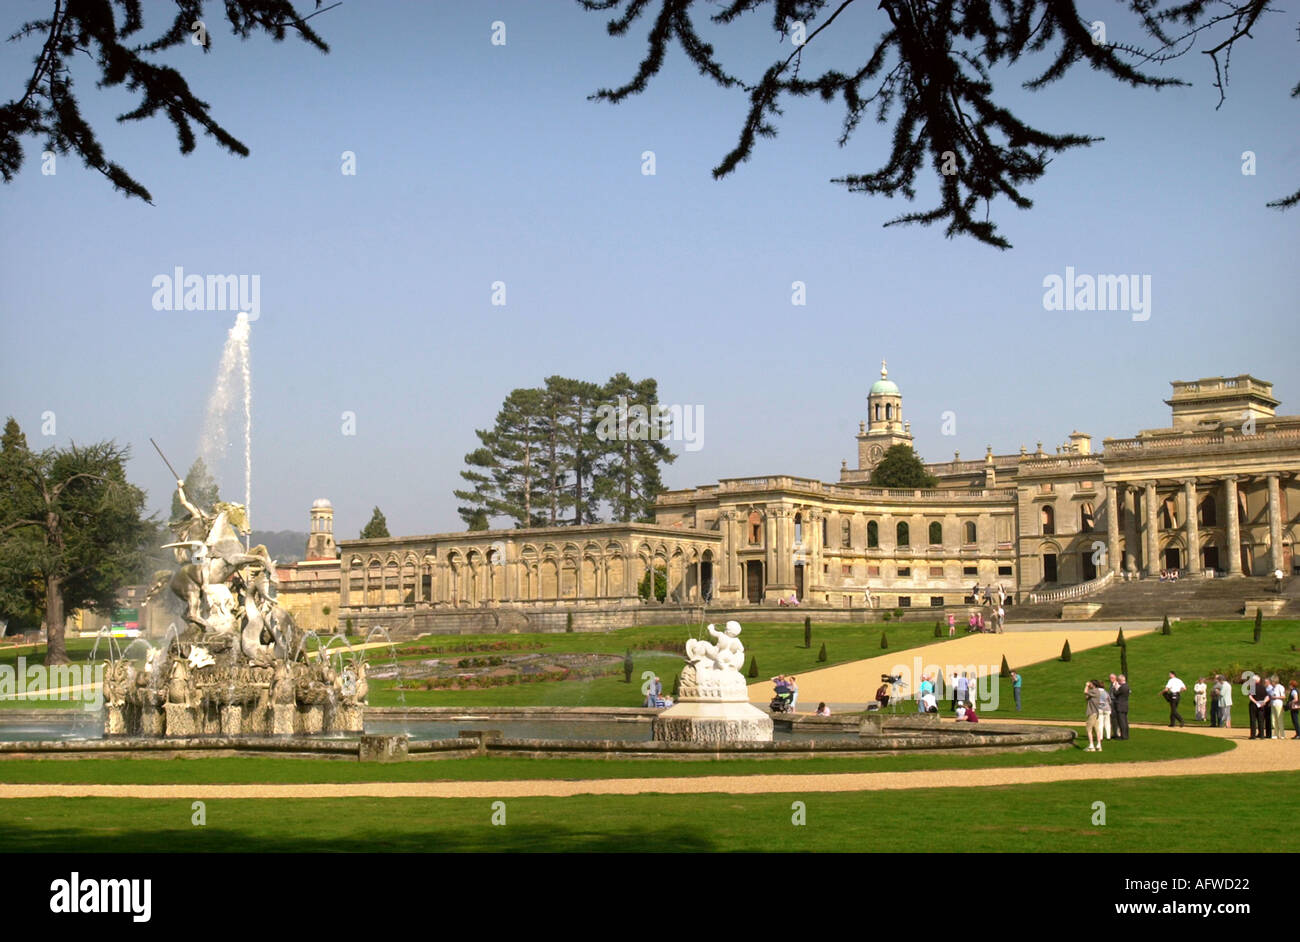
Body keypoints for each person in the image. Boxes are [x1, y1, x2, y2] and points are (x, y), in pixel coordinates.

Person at [1248, 673, 1269, 739]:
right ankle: (1262, 735)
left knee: (1253, 720)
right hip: (1261, 705)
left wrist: (1255, 702)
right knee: (1261, 720)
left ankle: (1253, 735)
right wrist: (1264, 702)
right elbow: (1267, 696)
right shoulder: (1263, 687)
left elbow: (1250, 696)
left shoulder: (1252, 687)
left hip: (1254, 705)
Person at [1084, 680, 1103, 751]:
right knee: (1096, 729)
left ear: (1094, 684)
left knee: (1089, 729)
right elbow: (1086, 697)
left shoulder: (1094, 691)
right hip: (1096, 713)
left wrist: (1086, 685)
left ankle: (1091, 745)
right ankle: (1099, 745)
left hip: (1092, 713)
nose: (1090, 684)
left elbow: (1085, 692)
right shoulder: (1096, 691)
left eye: (1091, 684)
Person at [1112, 673, 1130, 739]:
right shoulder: (1127, 686)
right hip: (1125, 706)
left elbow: (1115, 694)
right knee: (1125, 721)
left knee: (1121, 722)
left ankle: (1123, 736)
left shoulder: (1122, 687)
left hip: (1120, 706)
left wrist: (1115, 688)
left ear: (1120, 680)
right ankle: (1126, 735)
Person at [1269, 676, 1285, 740]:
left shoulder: (1280, 687)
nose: (1271, 682)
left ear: (1274, 681)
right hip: (1273, 704)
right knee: (1273, 720)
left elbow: (1283, 697)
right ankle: (1275, 734)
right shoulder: (1273, 688)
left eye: (1271, 681)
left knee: (1279, 719)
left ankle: (1282, 734)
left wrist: (1276, 698)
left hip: (1278, 704)